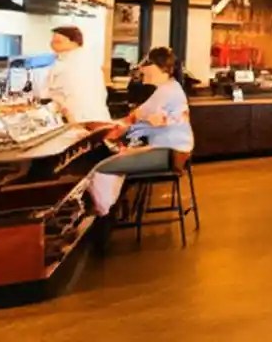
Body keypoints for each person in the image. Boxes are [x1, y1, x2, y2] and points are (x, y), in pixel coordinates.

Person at [89, 47, 195, 216]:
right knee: (117, 160)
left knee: (101, 168)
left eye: (145, 64)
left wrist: (108, 129)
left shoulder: (165, 91)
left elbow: (135, 117)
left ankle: (102, 215)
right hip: (174, 151)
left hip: (168, 153)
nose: (141, 70)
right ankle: (112, 210)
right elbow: (143, 119)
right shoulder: (170, 88)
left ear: (156, 67)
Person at [45, 26, 111, 123]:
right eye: (52, 41)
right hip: (96, 117)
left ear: (74, 42)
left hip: (78, 118)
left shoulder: (74, 63)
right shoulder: (82, 58)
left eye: (58, 41)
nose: (53, 45)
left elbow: (70, 94)